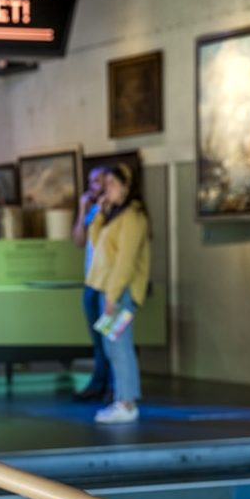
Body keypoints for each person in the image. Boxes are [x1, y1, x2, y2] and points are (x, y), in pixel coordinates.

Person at [85, 164, 150, 424]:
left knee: (120, 345)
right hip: (107, 288)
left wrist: (112, 296)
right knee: (111, 345)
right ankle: (122, 399)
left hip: (121, 291)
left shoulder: (133, 217)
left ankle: (127, 402)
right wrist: (100, 213)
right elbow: (95, 240)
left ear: (126, 186)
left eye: (112, 184)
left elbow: (125, 260)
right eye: (106, 184)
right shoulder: (114, 215)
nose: (107, 189)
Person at [71, 167, 113, 402]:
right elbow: (78, 241)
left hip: (108, 282)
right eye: (90, 181)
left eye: (97, 181)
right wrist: (82, 211)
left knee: (111, 339)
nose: (92, 186)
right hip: (90, 281)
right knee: (97, 339)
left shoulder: (114, 210)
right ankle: (98, 383)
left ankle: (115, 387)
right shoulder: (91, 211)